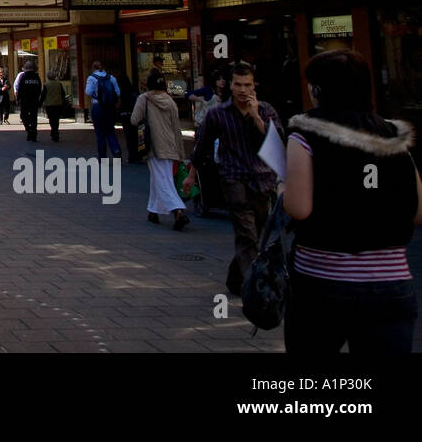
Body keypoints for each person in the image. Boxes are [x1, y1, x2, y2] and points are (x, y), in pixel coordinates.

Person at [283, 50, 422, 353]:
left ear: (318, 89)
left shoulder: (304, 132)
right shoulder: (394, 134)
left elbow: (299, 207)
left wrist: (283, 188)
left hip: (322, 279)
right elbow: (418, 211)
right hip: (392, 282)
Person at [182, 61, 282, 295]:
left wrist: (257, 117)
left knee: (256, 232)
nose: (242, 90)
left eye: (247, 85)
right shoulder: (219, 114)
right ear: (230, 85)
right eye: (238, 84)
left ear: (253, 85)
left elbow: (277, 143)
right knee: (247, 234)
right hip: (233, 178)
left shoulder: (266, 111)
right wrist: (190, 176)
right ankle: (252, 288)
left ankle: (235, 277)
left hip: (262, 180)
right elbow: (203, 146)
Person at [132, 75, 190, 230]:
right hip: (170, 145)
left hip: (153, 146)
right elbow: (177, 128)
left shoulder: (144, 99)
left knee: (163, 180)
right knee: (160, 178)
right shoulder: (170, 101)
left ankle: (177, 210)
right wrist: (181, 153)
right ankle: (153, 211)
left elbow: (134, 119)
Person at [84, 61, 123, 161]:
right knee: (110, 130)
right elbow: (118, 92)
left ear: (93, 68)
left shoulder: (91, 78)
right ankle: (116, 150)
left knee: (100, 133)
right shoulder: (111, 77)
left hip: (98, 106)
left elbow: (88, 92)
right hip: (110, 107)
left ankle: (102, 157)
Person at [13, 60, 43, 142]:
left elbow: (20, 89)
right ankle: (33, 133)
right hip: (34, 101)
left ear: (25, 68)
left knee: (23, 116)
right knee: (34, 117)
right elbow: (39, 89)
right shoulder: (37, 77)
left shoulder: (23, 77)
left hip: (25, 101)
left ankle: (28, 129)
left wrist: (18, 99)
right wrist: (38, 99)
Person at [114, 66, 138, 162]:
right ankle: (136, 155)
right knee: (134, 134)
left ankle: (132, 156)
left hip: (124, 112)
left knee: (128, 135)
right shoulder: (131, 89)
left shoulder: (120, 90)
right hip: (132, 112)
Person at [41, 71, 68, 142]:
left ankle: (54, 131)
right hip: (58, 104)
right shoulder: (59, 84)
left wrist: (40, 103)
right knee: (56, 119)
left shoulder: (46, 85)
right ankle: (55, 131)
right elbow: (63, 94)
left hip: (49, 105)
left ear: (47, 77)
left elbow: (43, 95)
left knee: (51, 119)